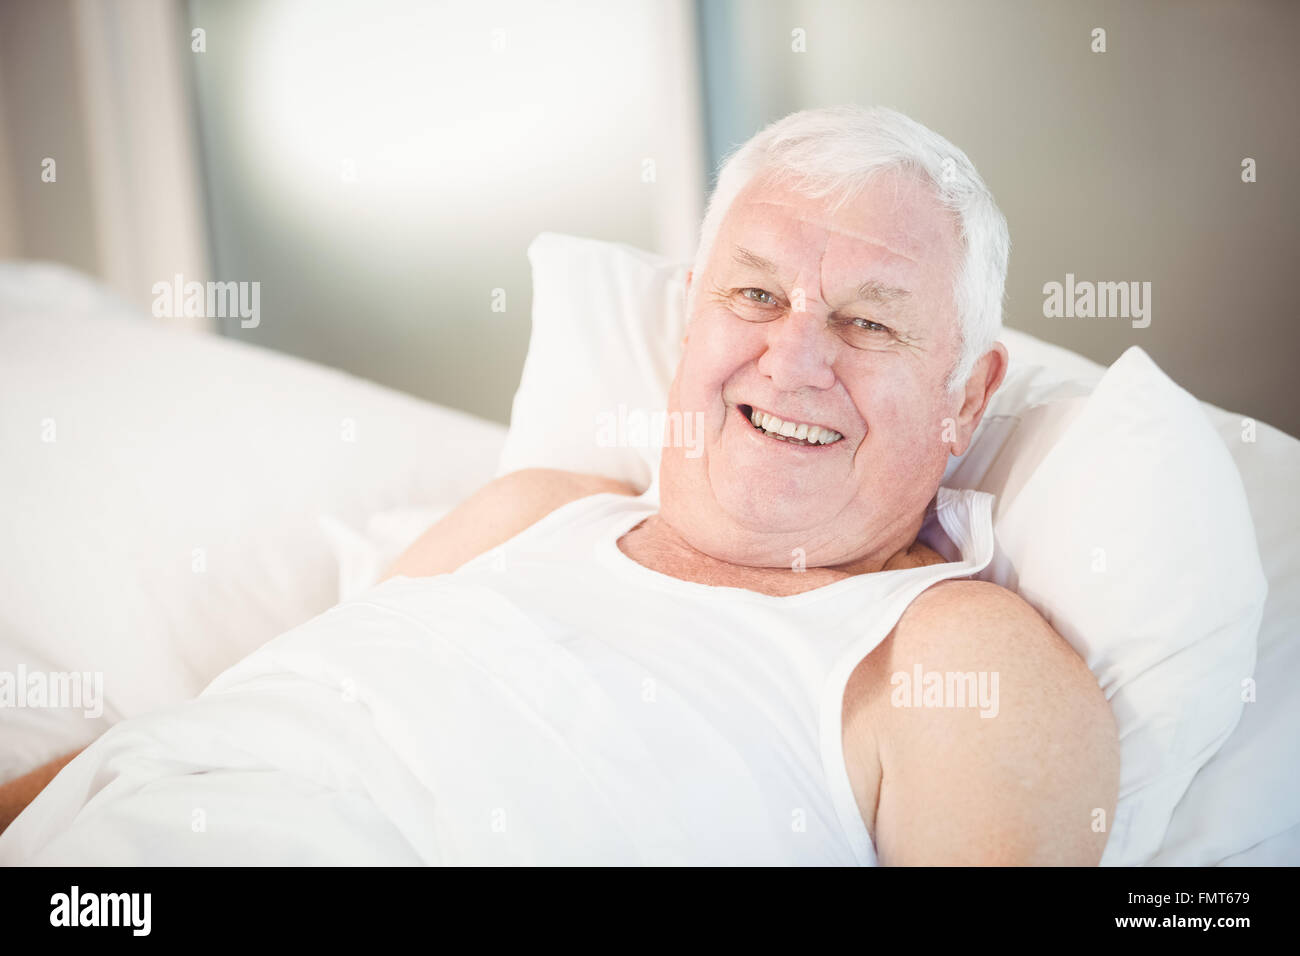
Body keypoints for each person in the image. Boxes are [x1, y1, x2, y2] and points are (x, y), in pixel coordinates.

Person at [0, 105, 1118, 865]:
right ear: (690, 316)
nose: (793, 357)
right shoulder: (534, 512)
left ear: (967, 398)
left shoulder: (949, 651)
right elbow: (226, 731)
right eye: (755, 295)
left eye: (867, 320)